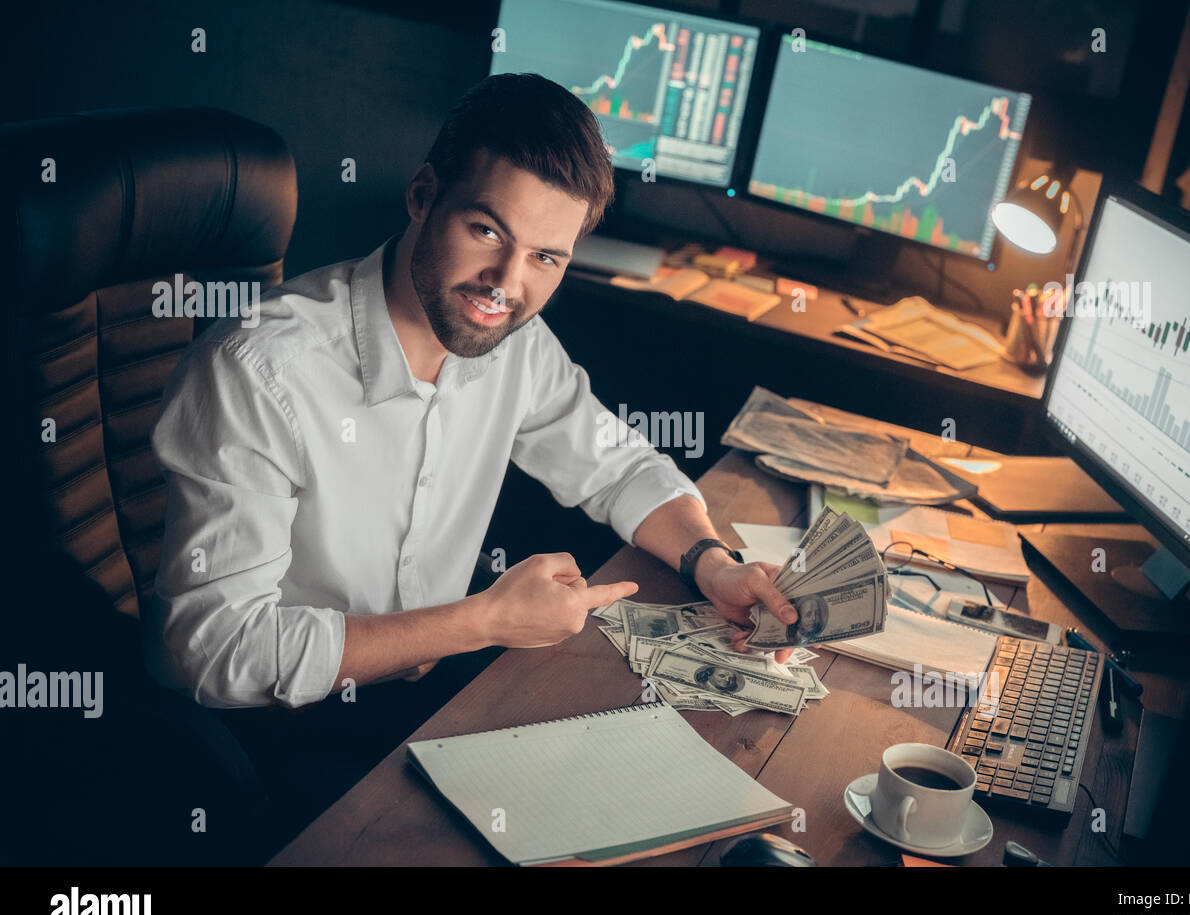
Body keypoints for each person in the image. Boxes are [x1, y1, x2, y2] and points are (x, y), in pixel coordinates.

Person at [146, 73, 798, 852]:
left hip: (423, 699)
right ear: (424, 195)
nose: (508, 285)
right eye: (488, 231)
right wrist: (485, 619)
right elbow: (216, 649)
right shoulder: (259, 369)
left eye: (546, 258)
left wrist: (712, 561)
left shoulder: (511, 344)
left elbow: (617, 465)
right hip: (276, 734)